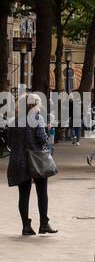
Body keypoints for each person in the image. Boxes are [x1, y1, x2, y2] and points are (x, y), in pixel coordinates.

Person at [7, 94, 57, 235]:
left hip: (18, 161)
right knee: (42, 192)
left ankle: (26, 226)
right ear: (34, 105)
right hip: (36, 160)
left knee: (23, 195)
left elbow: (10, 142)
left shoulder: (14, 121)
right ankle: (44, 224)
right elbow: (41, 138)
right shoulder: (37, 118)